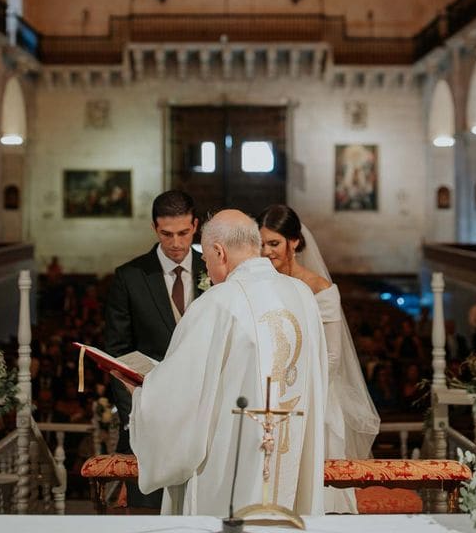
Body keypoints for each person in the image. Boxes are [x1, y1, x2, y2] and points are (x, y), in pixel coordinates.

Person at [124, 209, 328, 517]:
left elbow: (180, 398)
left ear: (219, 252)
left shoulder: (216, 303)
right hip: (291, 442)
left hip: (233, 463)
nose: (206, 268)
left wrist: (142, 392)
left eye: (205, 260)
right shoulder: (301, 295)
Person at [258, 204, 379, 514]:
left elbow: (332, 356)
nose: (266, 251)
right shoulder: (260, 287)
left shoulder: (319, 289)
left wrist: (296, 387)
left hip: (315, 396)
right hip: (269, 397)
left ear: (294, 242)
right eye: (262, 243)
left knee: (317, 491)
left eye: (274, 243)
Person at [104, 189, 208, 507]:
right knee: (147, 510)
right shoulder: (130, 277)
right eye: (166, 234)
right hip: (148, 418)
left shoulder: (214, 271)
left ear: (195, 225)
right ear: (154, 228)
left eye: (183, 233)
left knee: (203, 510)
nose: (176, 243)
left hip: (205, 417)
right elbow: (119, 353)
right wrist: (134, 416)